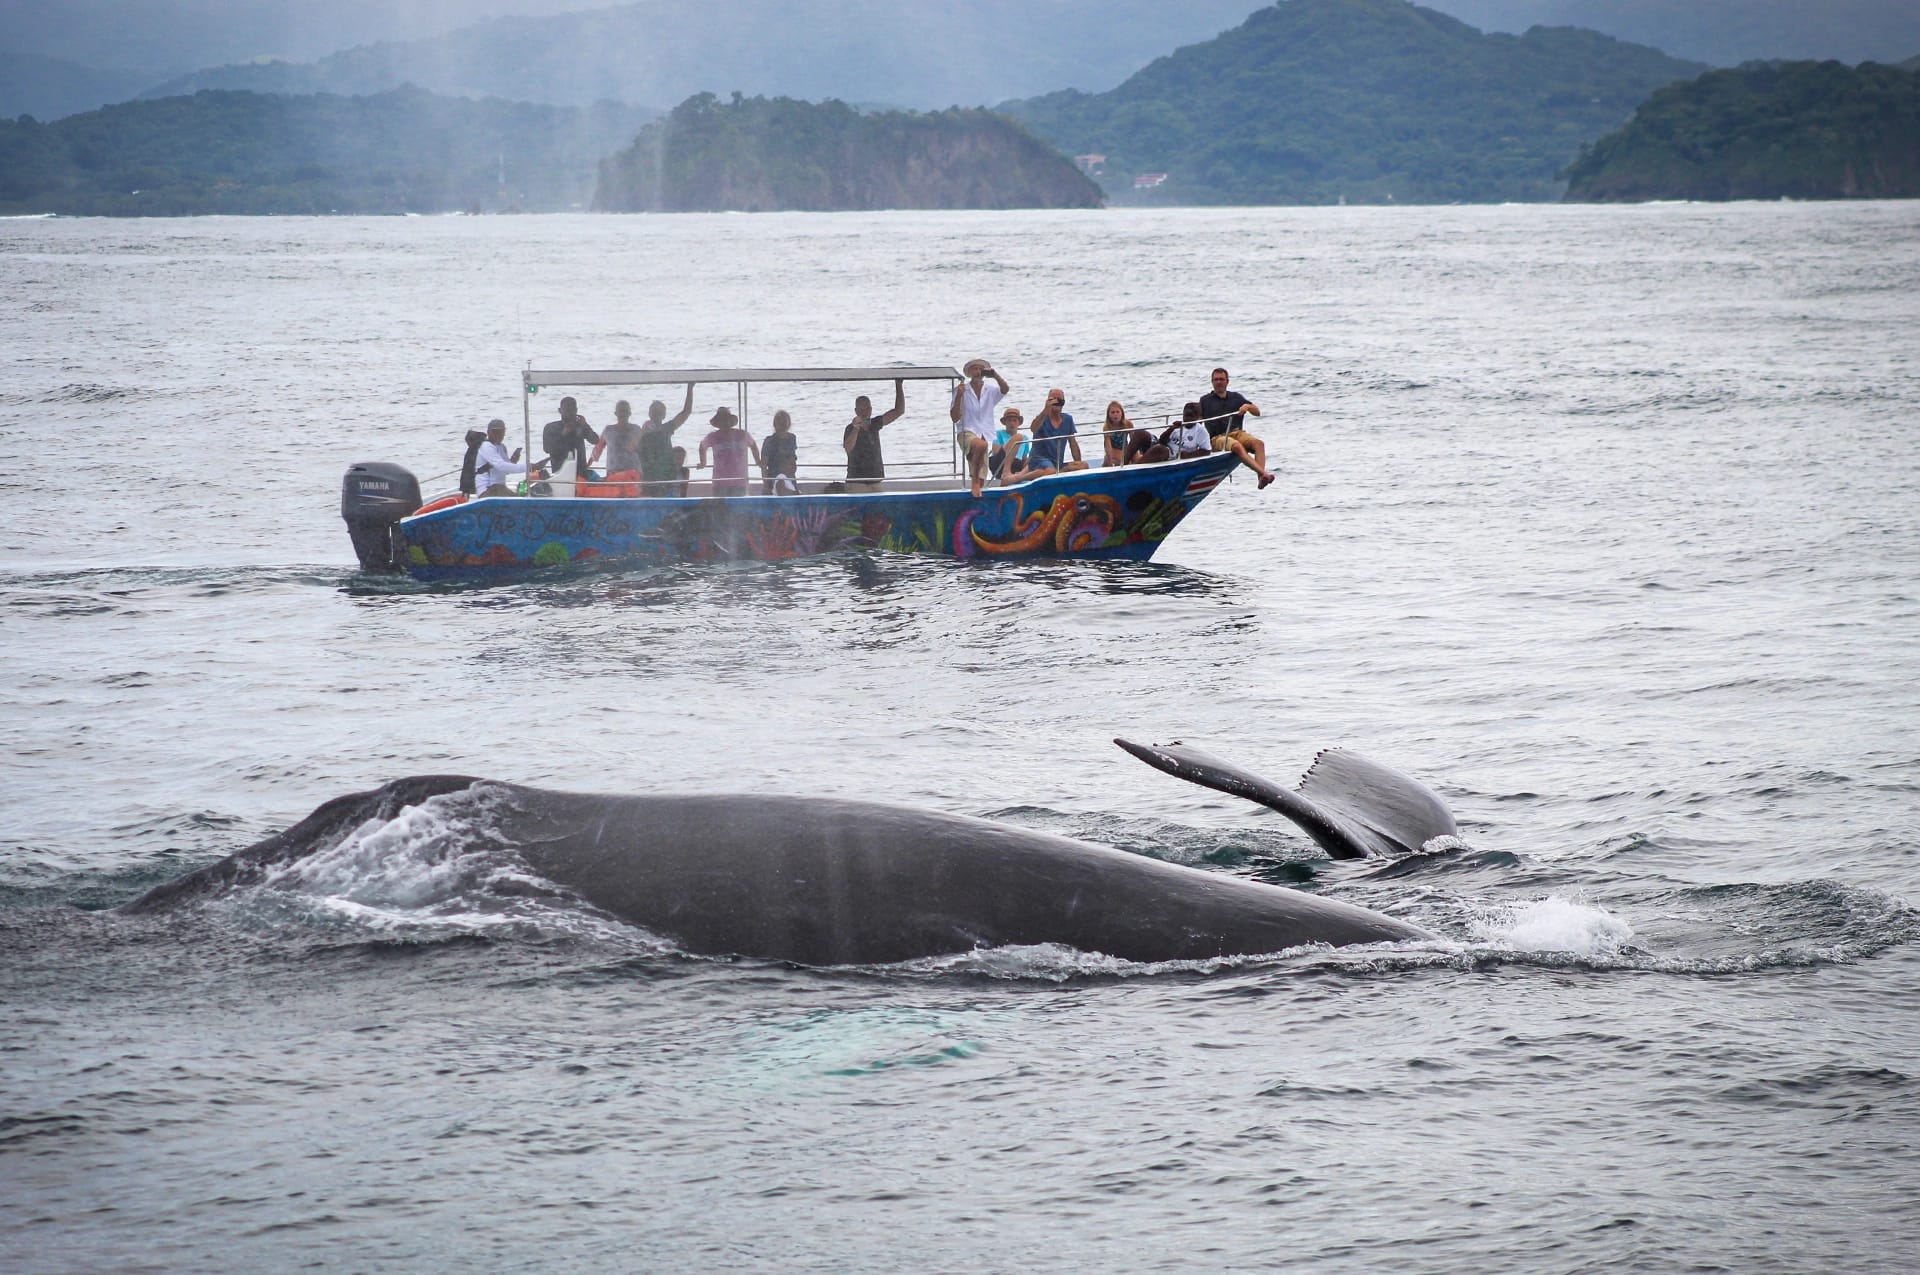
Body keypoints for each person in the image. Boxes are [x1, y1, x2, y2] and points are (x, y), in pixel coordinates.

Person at [1197, 367, 1276, 489]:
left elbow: (1257, 412)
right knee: (1237, 447)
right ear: (1212, 382)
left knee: (1259, 444)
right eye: (1216, 380)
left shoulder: (1236, 397)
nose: (1219, 382)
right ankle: (1264, 474)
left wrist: (1247, 407)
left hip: (1237, 432)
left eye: (1221, 379)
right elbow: (1199, 422)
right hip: (1218, 437)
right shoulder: (1205, 400)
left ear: (1227, 381)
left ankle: (1261, 479)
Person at [949, 358, 1008, 498]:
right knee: (981, 445)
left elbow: (1005, 389)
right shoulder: (961, 389)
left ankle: (975, 496)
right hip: (966, 430)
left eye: (980, 369)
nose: (977, 371)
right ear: (969, 373)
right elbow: (954, 417)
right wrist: (959, 397)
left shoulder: (990, 390)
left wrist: (995, 375)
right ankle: (974, 482)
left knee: (982, 475)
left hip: (985, 432)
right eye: (974, 369)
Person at [843, 379, 905, 493]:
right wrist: (856, 429)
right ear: (856, 411)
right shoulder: (850, 428)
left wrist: (898, 385)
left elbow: (899, 411)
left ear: (871, 409)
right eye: (861, 409)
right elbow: (848, 448)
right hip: (857, 482)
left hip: (875, 480)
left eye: (867, 409)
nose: (864, 412)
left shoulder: (874, 424)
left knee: (879, 510)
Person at [638, 384, 696, 497]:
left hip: (665, 476)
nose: (656, 414)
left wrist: (690, 389)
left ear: (664, 415)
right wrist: (642, 432)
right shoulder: (642, 431)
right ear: (649, 414)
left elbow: (686, 412)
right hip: (647, 477)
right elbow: (632, 448)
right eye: (654, 412)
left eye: (659, 412)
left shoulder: (666, 428)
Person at [1019, 387, 1087, 480]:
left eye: (1060, 400)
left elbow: (1073, 444)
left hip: (1056, 463)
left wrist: (1078, 464)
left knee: (1083, 465)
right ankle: (1020, 478)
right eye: (1053, 399)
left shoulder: (1067, 419)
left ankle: (1056, 473)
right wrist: (1045, 409)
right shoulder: (1042, 418)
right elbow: (1033, 428)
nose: (1056, 402)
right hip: (1039, 460)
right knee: (1050, 471)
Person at [699, 406, 761, 497]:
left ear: (731, 422)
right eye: (722, 420)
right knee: (720, 508)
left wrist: (758, 461)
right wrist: (703, 463)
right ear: (718, 423)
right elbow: (702, 447)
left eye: (726, 420)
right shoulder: (713, 436)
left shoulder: (742, 434)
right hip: (720, 481)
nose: (725, 423)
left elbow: (753, 446)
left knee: (739, 508)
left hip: (740, 480)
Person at [541, 396, 600, 479]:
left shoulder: (581, 426)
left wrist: (585, 426)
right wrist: (563, 434)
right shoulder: (551, 428)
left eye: (572, 410)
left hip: (581, 474)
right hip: (559, 473)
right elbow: (547, 449)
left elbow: (595, 440)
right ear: (560, 410)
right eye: (567, 410)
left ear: (576, 411)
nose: (570, 413)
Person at [592, 399, 646, 481]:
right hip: (613, 474)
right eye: (621, 411)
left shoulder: (637, 429)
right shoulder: (608, 430)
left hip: (633, 474)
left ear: (629, 413)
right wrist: (588, 465)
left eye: (625, 411)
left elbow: (643, 450)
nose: (623, 414)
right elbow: (596, 453)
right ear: (616, 414)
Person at [472, 418, 527, 496]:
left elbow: (505, 471)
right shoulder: (486, 446)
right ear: (488, 432)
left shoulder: (502, 447)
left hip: (500, 488)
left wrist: (513, 461)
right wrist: (530, 467)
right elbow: (502, 466)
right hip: (488, 489)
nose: (498, 435)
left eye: (501, 432)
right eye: (495, 432)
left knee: (525, 485)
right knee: (499, 488)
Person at [1100, 400, 1155, 467]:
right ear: (1108, 415)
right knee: (1122, 461)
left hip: (1126, 449)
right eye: (1112, 412)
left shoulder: (1128, 424)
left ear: (1122, 413)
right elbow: (1108, 446)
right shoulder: (1107, 427)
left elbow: (1134, 440)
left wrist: (1136, 454)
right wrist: (1109, 461)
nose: (1115, 414)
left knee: (1138, 460)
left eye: (1117, 412)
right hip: (1113, 450)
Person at [761, 409, 799, 495]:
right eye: (780, 422)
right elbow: (764, 465)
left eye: (784, 422)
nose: (782, 425)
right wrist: (766, 485)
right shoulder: (769, 441)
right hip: (774, 476)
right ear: (775, 424)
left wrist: (793, 470)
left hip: (789, 476)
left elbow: (793, 459)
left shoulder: (792, 438)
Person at [989, 406, 1029, 484]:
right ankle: (1006, 472)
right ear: (1005, 423)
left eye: (1014, 420)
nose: (1012, 423)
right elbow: (996, 451)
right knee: (1018, 437)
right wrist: (1012, 442)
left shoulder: (1025, 438)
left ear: (1018, 423)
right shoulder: (999, 433)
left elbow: (1024, 457)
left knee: (1035, 456)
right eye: (1009, 420)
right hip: (1000, 462)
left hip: (1017, 464)